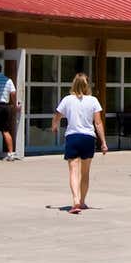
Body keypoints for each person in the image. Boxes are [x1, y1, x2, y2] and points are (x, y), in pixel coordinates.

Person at [51, 73, 107, 214]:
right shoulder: (93, 101)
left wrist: (54, 126)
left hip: (73, 137)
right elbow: (98, 122)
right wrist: (103, 143)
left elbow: (57, 115)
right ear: (87, 85)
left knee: (73, 171)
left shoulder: (67, 99)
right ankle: (82, 202)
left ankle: (75, 200)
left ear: (74, 84)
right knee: (85, 172)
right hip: (88, 138)